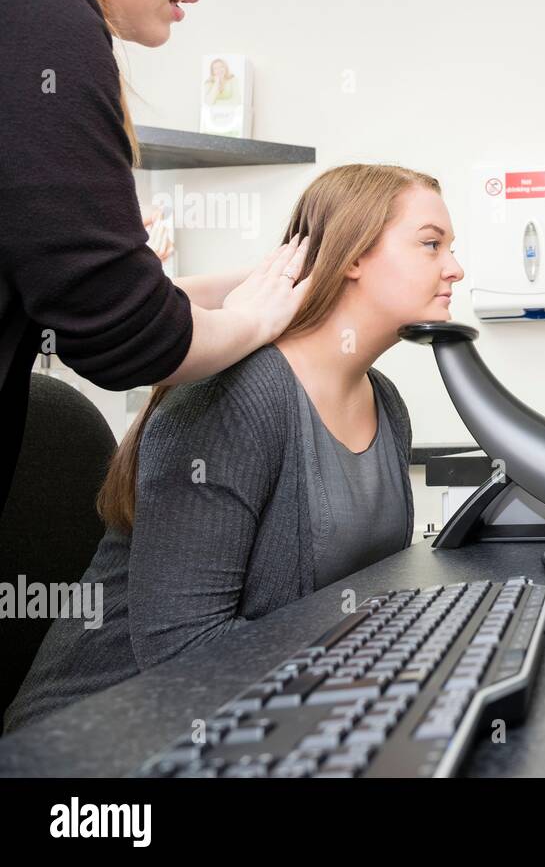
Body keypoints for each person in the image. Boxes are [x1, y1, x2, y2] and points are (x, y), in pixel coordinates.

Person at [4, 164, 464, 733]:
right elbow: (184, 652)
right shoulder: (239, 394)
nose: (455, 268)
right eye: (430, 244)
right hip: (109, 742)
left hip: (268, 719)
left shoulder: (386, 403)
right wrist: (388, 665)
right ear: (352, 257)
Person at [0, 0, 310, 514]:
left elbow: (75, 303)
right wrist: (250, 321)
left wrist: (255, 283)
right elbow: (126, 336)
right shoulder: (36, 3)